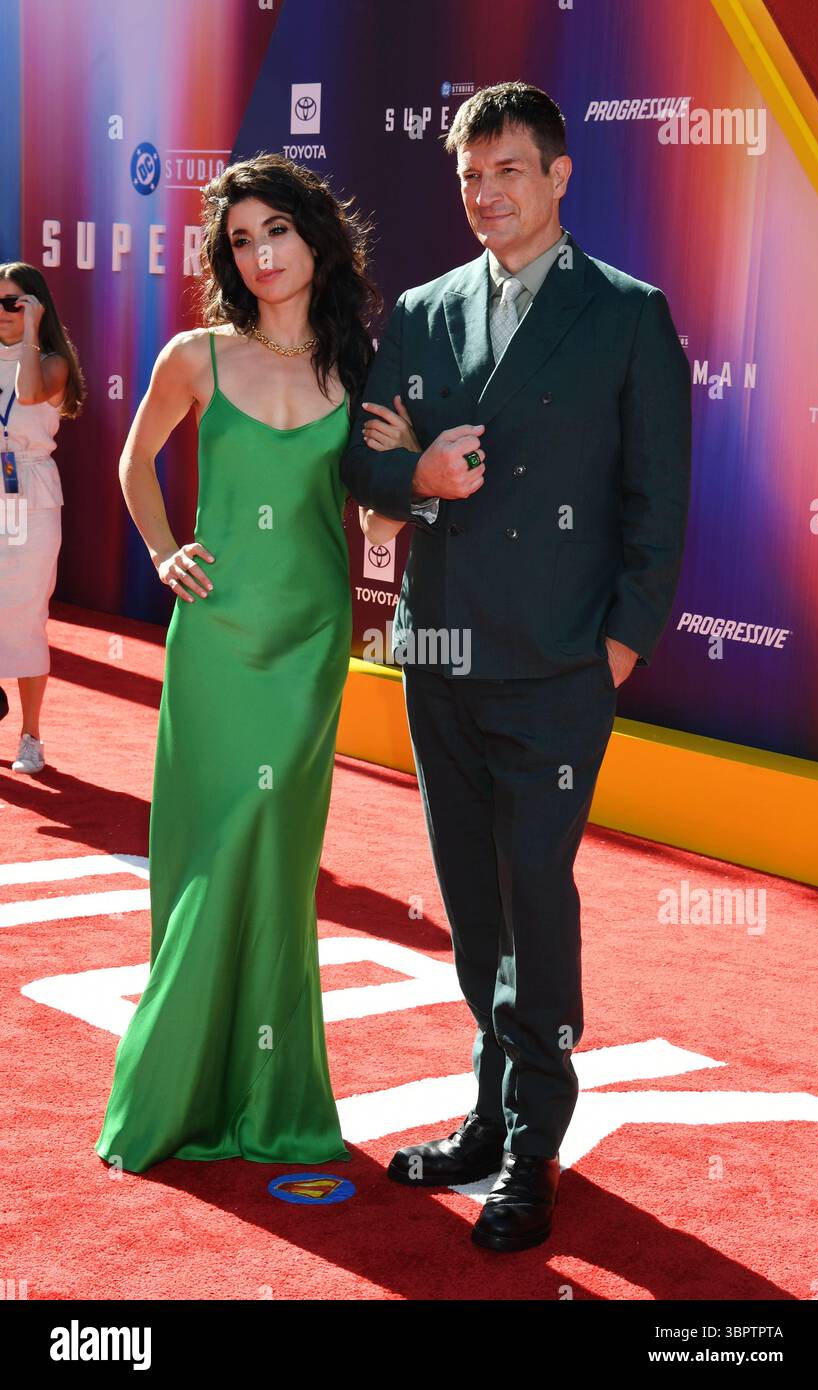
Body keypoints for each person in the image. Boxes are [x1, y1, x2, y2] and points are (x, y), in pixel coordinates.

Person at [340, 82, 692, 1252]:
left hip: (554, 668)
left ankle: (532, 1145)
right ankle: (489, 1117)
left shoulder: (625, 314)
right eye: (468, 177)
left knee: (535, 903)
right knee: (472, 901)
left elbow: (657, 501)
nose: (484, 195)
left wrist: (619, 641)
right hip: (437, 654)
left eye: (506, 172)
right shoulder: (426, 309)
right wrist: (411, 482)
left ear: (557, 177)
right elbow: (365, 460)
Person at [95, 152, 380, 1174]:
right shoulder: (196, 356)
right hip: (217, 642)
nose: (260, 254)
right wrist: (163, 546)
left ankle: (266, 1098)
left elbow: (378, 510)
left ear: (315, 240)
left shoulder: (354, 369)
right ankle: (172, 1094)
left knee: (273, 853)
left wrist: (414, 473)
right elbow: (133, 460)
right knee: (216, 847)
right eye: (242, 238)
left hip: (309, 648)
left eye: (277, 232)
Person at [0, 263, 84, 773]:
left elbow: (29, 395)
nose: (3, 312)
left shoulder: (51, 362)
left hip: (27, 493)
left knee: (26, 614)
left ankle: (31, 736)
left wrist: (30, 333)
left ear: (35, 306)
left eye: (13, 302)